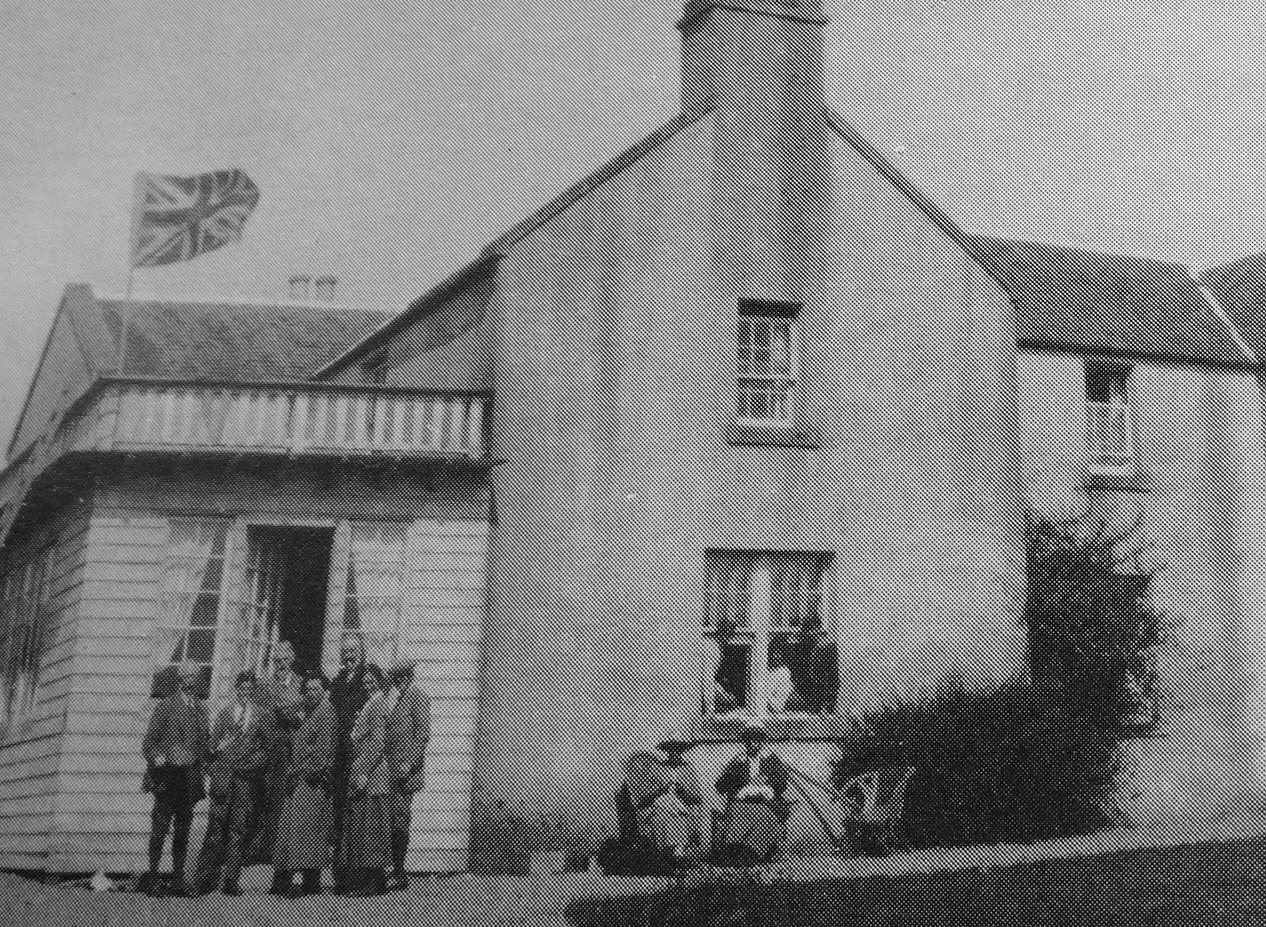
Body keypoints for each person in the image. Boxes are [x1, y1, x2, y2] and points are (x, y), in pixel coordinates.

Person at [193, 671, 278, 895]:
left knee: (238, 830)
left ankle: (231, 880)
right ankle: (204, 879)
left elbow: (267, 750)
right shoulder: (224, 715)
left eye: (249, 689)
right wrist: (216, 769)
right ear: (236, 689)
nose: (245, 693)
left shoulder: (261, 715)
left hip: (245, 782)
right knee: (215, 828)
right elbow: (210, 749)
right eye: (242, 688)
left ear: (254, 691)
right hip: (222, 781)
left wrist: (251, 766)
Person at [140, 662, 209, 897]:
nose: (192, 681)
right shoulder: (166, 706)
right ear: (180, 680)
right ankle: (153, 878)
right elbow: (149, 742)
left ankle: (178, 881)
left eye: (195, 677)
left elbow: (203, 746)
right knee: (159, 829)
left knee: (183, 831)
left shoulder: (201, 709)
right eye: (188, 677)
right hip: (167, 778)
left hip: (189, 781)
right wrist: (158, 758)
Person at [272, 674, 338, 897]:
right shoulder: (307, 710)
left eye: (316, 688)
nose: (311, 693)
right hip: (299, 777)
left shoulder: (326, 713)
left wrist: (303, 772)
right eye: (307, 689)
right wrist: (300, 703)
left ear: (324, 690)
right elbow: (280, 709)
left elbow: (324, 753)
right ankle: (296, 880)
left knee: (306, 831)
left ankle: (305, 881)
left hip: (311, 781)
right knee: (296, 829)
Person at [328, 630, 383, 893]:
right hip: (340, 759)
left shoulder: (368, 680)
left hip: (360, 759)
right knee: (341, 817)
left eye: (353, 652)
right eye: (345, 652)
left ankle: (361, 877)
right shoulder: (337, 681)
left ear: (361, 654)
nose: (349, 656)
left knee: (361, 819)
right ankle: (342, 875)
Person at [338, 666, 393, 896]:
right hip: (365, 774)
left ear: (380, 682)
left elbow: (378, 743)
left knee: (372, 829)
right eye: (366, 681)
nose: (368, 684)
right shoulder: (371, 702)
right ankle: (366, 880)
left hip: (372, 777)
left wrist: (362, 772)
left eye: (372, 680)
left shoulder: (378, 704)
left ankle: (375, 882)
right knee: (364, 828)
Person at [255, 640, 305, 877]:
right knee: (267, 794)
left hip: (293, 748)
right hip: (271, 747)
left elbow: (304, 714)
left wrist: (291, 715)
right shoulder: (265, 685)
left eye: (285, 659)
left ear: (292, 660)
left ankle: (281, 849)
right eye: (277, 660)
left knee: (287, 796)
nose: (281, 664)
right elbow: (262, 715)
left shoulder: (300, 683)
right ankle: (263, 847)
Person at [385, 657, 431, 891]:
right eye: (396, 680)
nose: (399, 683)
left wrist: (408, 764)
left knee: (400, 820)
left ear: (409, 677)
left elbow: (423, 734)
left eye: (403, 678)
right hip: (393, 771)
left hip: (405, 772)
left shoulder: (418, 696)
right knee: (394, 819)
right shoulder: (399, 699)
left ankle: (400, 872)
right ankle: (395, 869)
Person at [715, 724, 790, 865]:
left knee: (764, 816)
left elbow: (782, 783)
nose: (752, 744)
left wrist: (768, 786)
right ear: (745, 743)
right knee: (738, 813)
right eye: (749, 741)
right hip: (742, 803)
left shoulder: (771, 759)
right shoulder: (739, 760)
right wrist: (735, 777)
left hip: (767, 803)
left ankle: (754, 854)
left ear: (762, 742)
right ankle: (738, 851)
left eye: (756, 741)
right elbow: (720, 786)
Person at [635, 740, 706, 865]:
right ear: (667, 752)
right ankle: (662, 853)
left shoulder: (688, 769)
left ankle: (677, 852)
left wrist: (682, 792)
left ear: (682, 752)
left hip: (681, 807)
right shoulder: (658, 768)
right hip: (659, 806)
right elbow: (644, 797)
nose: (674, 754)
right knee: (661, 817)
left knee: (681, 817)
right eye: (671, 751)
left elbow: (697, 798)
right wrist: (660, 790)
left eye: (678, 751)